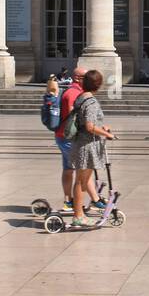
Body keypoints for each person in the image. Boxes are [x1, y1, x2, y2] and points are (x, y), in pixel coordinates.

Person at [67, 70, 116, 228]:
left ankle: (82, 210)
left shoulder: (81, 97)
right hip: (87, 146)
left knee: (82, 180)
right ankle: (78, 216)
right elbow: (89, 126)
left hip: (81, 143)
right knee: (81, 182)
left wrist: (102, 127)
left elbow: (85, 122)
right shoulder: (91, 102)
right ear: (98, 85)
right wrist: (107, 134)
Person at [55, 67, 105, 213]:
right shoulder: (74, 93)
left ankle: (69, 201)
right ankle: (94, 200)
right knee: (82, 170)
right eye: (86, 78)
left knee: (69, 169)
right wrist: (101, 131)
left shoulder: (75, 92)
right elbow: (77, 119)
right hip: (69, 137)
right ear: (78, 78)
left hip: (64, 136)